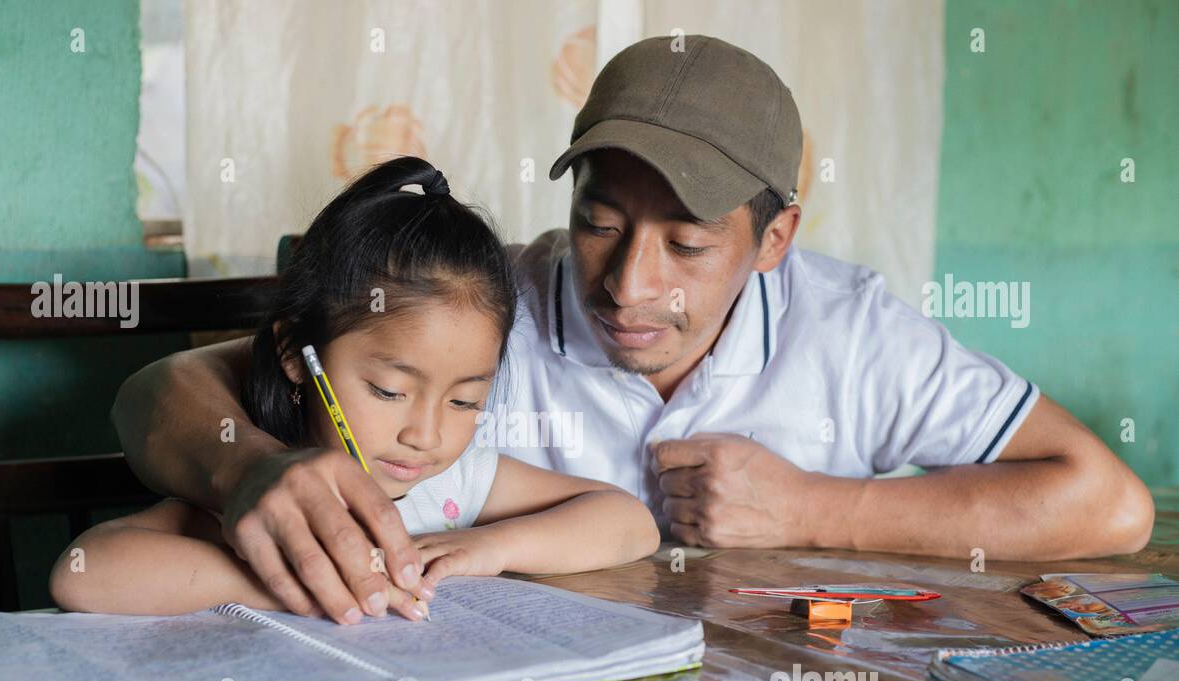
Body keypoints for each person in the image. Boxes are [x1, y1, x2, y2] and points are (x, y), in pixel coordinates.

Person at [109, 36, 1154, 620]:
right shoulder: (480, 309)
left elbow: (1108, 506)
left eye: (686, 246)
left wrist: (810, 505)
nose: (624, 283)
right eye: (598, 222)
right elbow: (166, 388)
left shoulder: (855, 335)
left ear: (775, 236)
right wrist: (243, 464)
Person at [51, 157, 659, 619]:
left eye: (466, 399)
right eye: (389, 391)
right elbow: (84, 574)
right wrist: (300, 580)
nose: (426, 435)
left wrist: (492, 547)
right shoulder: (269, 485)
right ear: (296, 355)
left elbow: (631, 522)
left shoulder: (455, 485)